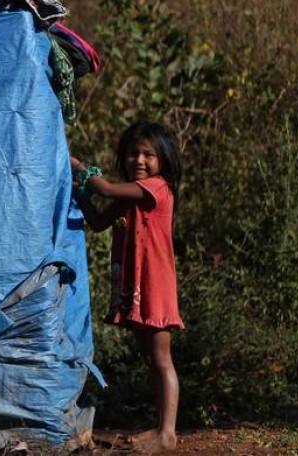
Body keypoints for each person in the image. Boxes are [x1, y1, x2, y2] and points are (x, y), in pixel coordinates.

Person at [71, 121, 183, 453]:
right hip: (137, 286)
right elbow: (98, 220)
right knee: (151, 358)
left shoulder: (157, 188)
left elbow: (104, 189)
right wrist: (78, 189)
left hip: (156, 284)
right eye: (134, 153)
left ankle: (168, 434)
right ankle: (160, 427)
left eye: (149, 154)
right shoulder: (131, 194)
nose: (139, 160)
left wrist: (79, 169)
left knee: (162, 358)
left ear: (163, 160)